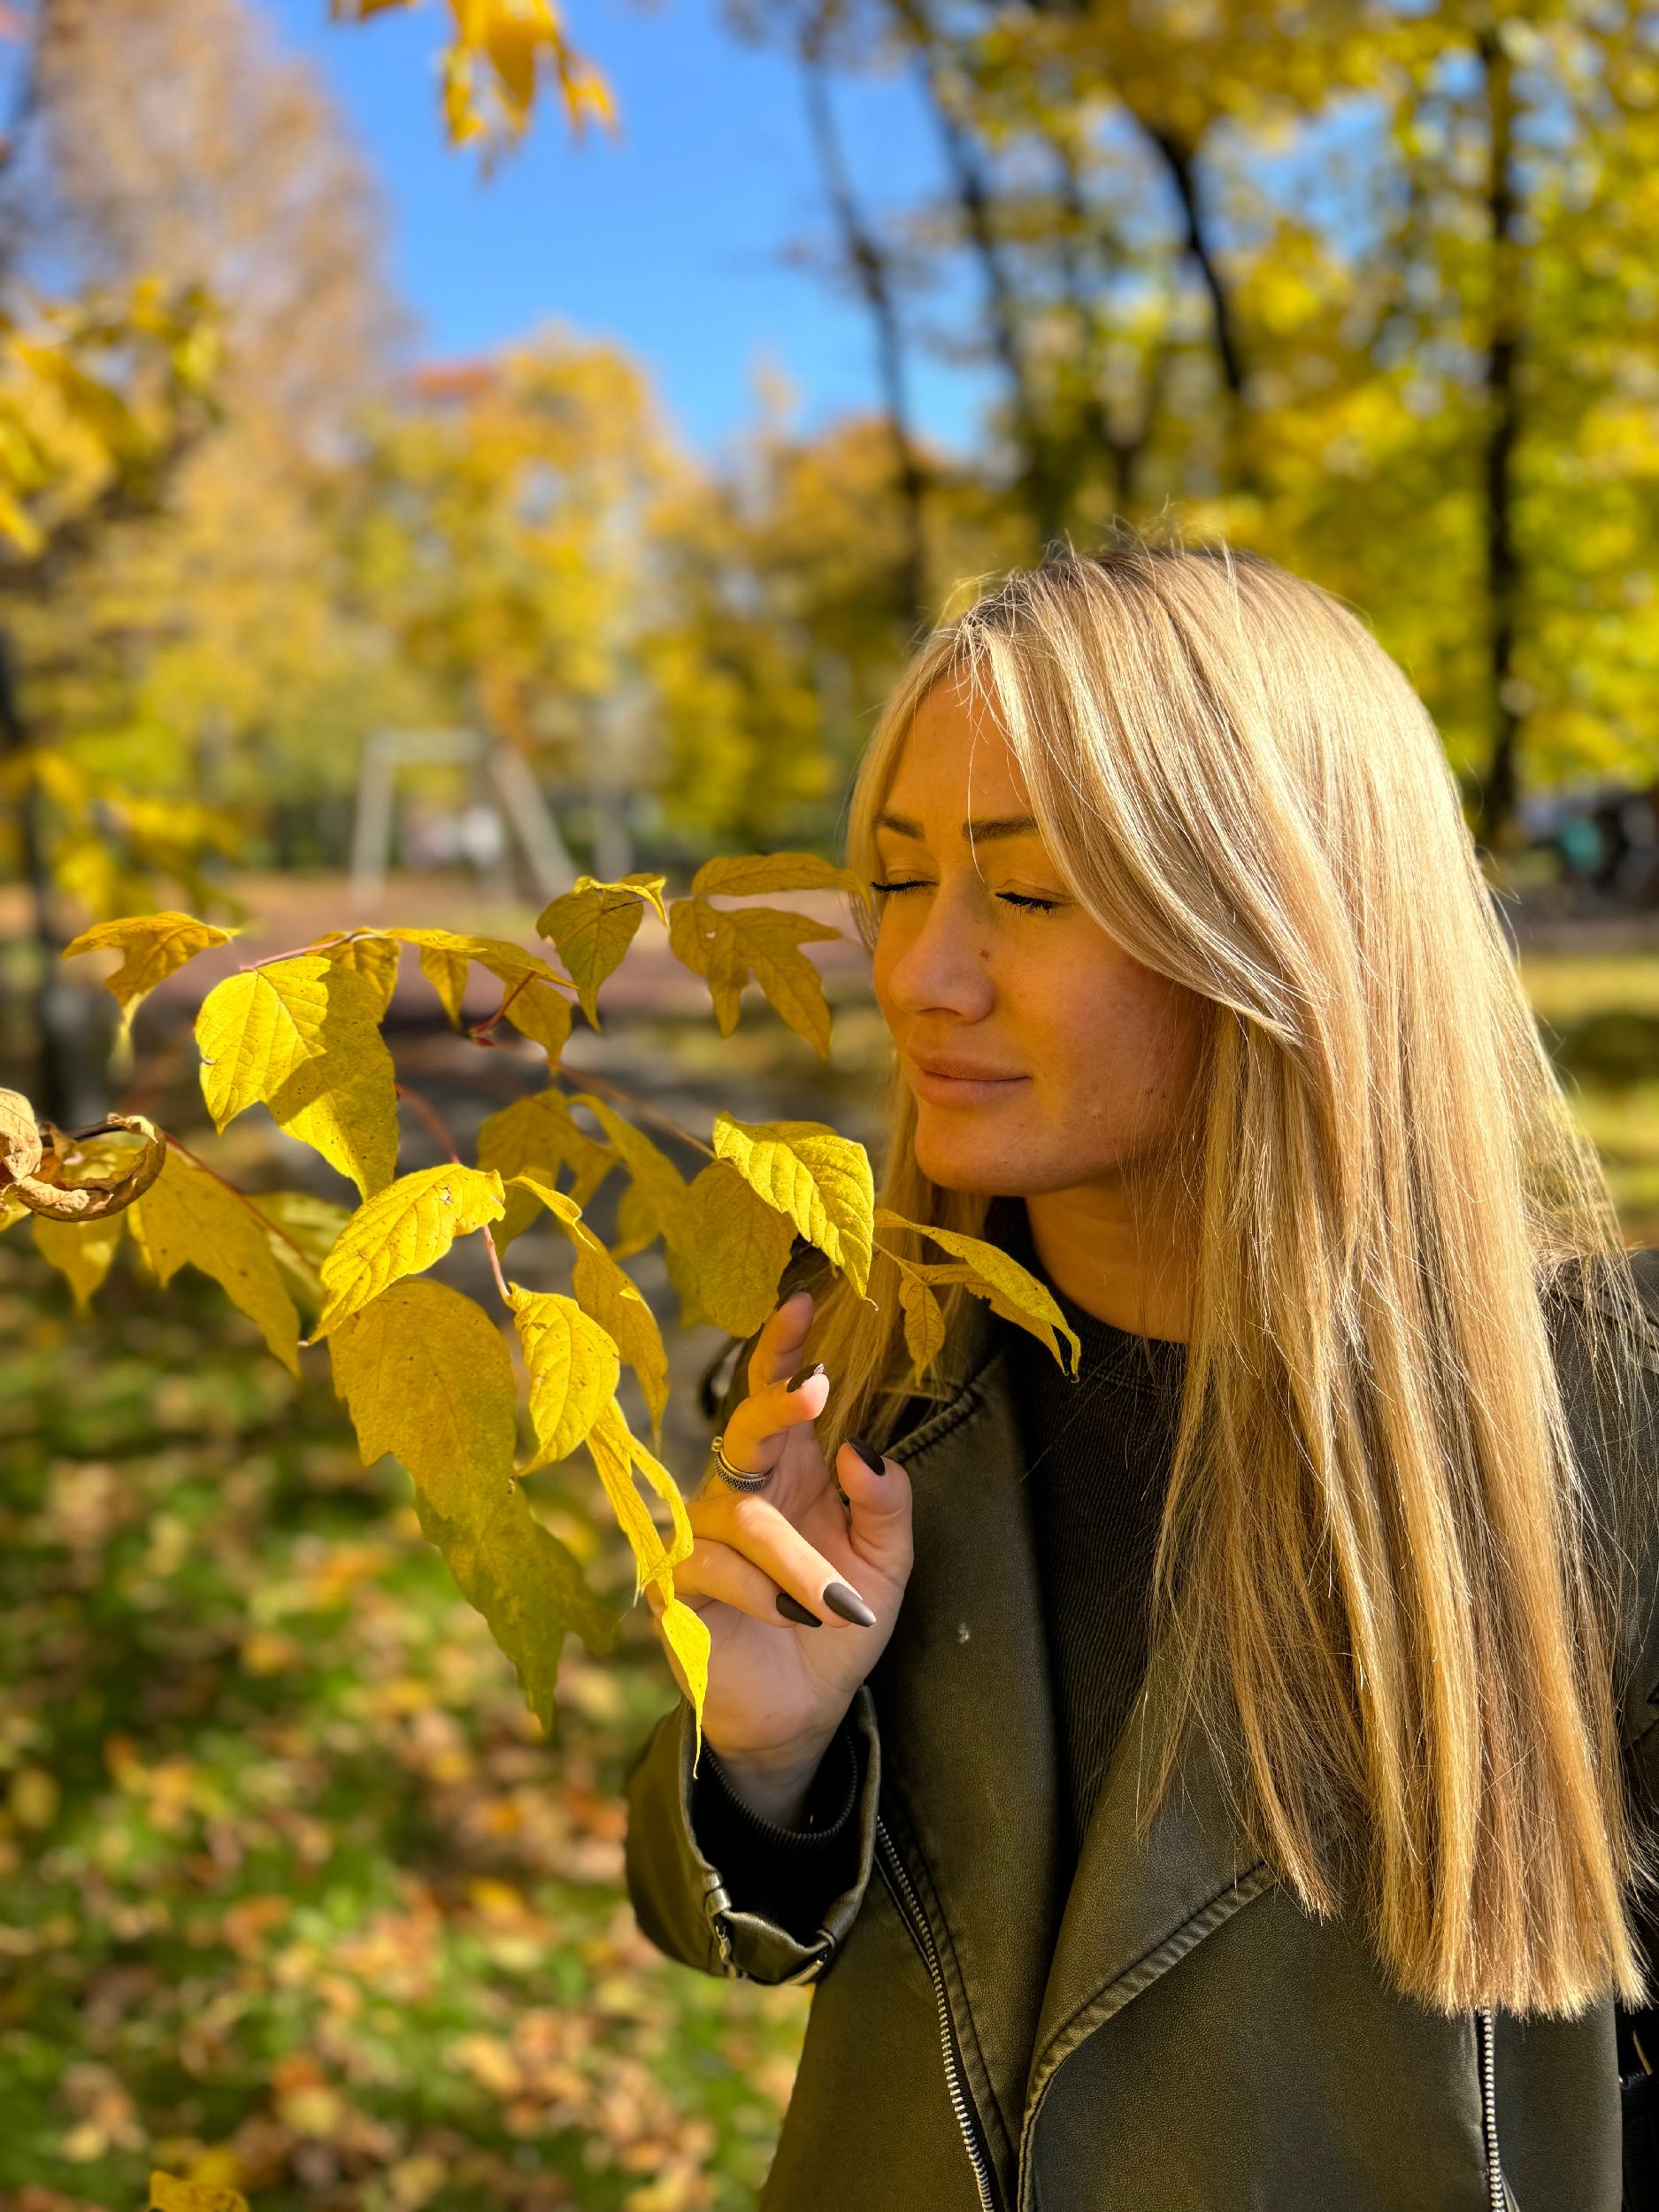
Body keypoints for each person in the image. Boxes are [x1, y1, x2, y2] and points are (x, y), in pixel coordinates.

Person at [622, 538, 1659, 2211]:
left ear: (1284, 927)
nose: (918, 975)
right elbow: (712, 1915)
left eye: (1029, 894)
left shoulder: (1607, 1430)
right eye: (895, 882)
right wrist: (758, 1761)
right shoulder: (861, 1376)